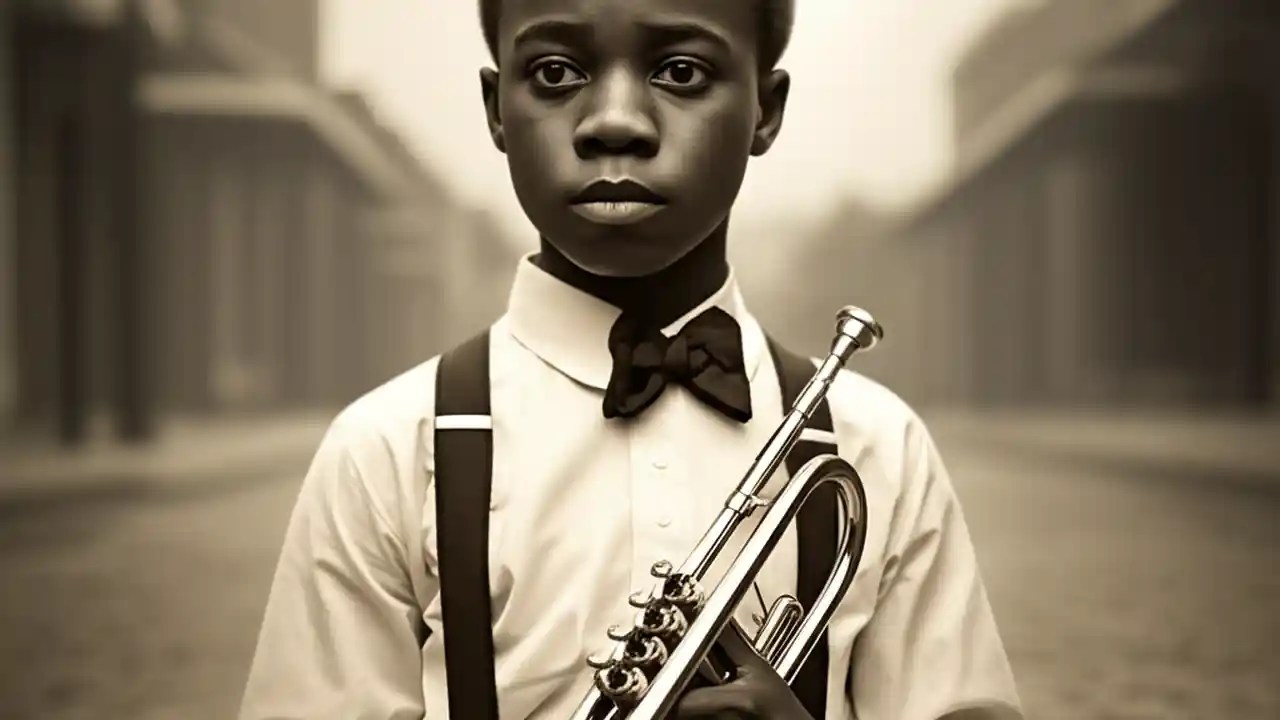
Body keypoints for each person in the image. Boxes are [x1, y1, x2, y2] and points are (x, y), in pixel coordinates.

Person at [240, 0, 1024, 718]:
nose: (614, 122)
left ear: (765, 109)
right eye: (556, 73)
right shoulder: (383, 452)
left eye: (680, 71)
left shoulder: (878, 447)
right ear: (496, 110)